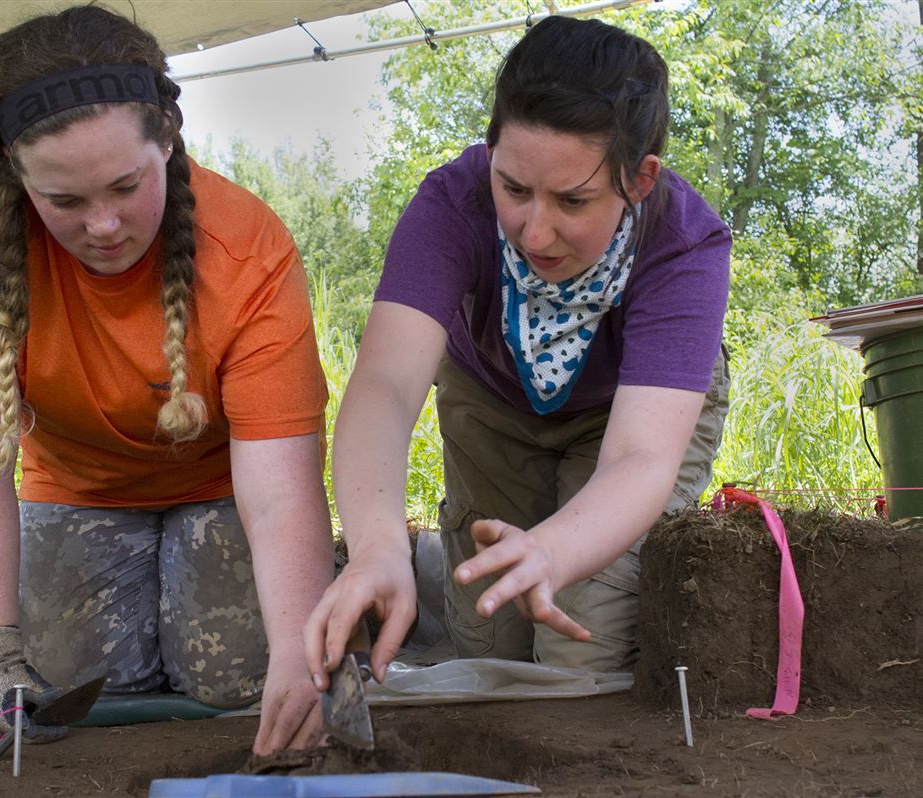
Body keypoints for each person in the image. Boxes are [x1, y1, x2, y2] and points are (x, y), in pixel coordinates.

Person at [0, 5, 333, 756]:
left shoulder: (246, 246)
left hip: (221, 487)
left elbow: (279, 493)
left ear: (166, 140)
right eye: (65, 201)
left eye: (124, 186)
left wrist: (301, 660)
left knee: (239, 679)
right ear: (15, 173)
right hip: (75, 486)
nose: (103, 225)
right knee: (61, 693)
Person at [304, 16, 730, 688]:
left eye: (573, 200)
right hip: (496, 402)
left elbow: (640, 456)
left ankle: (536, 552)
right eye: (514, 189)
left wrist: (555, 552)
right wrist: (374, 549)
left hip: (629, 418)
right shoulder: (452, 201)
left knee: (573, 662)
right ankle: (423, 557)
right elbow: (385, 386)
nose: (536, 230)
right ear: (492, 151)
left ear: (639, 180)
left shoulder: (685, 244)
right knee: (488, 656)